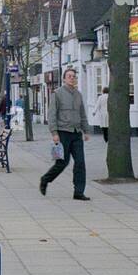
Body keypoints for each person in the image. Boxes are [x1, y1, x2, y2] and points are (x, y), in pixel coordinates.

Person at [40, 67, 90, 201]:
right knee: (62, 162)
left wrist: (86, 131)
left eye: (74, 76)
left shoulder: (78, 94)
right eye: (69, 76)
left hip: (76, 133)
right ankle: (45, 179)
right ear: (64, 79)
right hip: (63, 133)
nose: (72, 78)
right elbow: (52, 115)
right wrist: (54, 133)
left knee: (80, 163)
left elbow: (82, 114)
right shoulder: (57, 94)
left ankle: (79, 192)